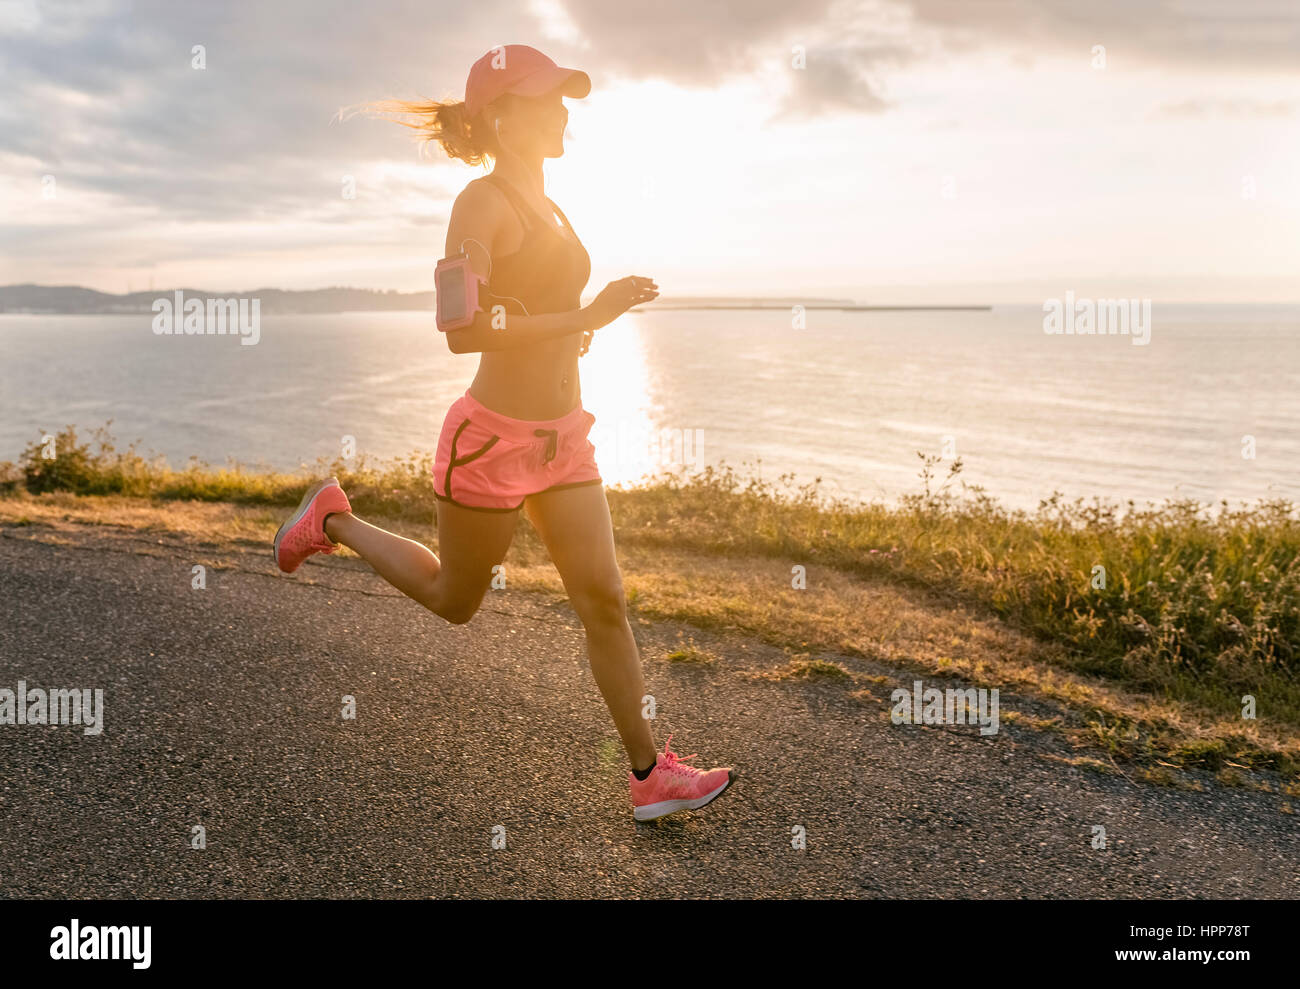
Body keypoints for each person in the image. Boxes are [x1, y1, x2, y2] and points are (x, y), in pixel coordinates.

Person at [276, 44, 734, 822]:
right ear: (500, 115)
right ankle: (333, 517)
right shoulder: (480, 204)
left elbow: (527, 309)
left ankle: (648, 773)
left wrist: (575, 336)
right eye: (546, 98)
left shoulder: (552, 203)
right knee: (456, 600)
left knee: (605, 599)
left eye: (563, 97)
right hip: (491, 440)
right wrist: (587, 316)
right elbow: (462, 327)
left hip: (564, 437)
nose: (562, 111)